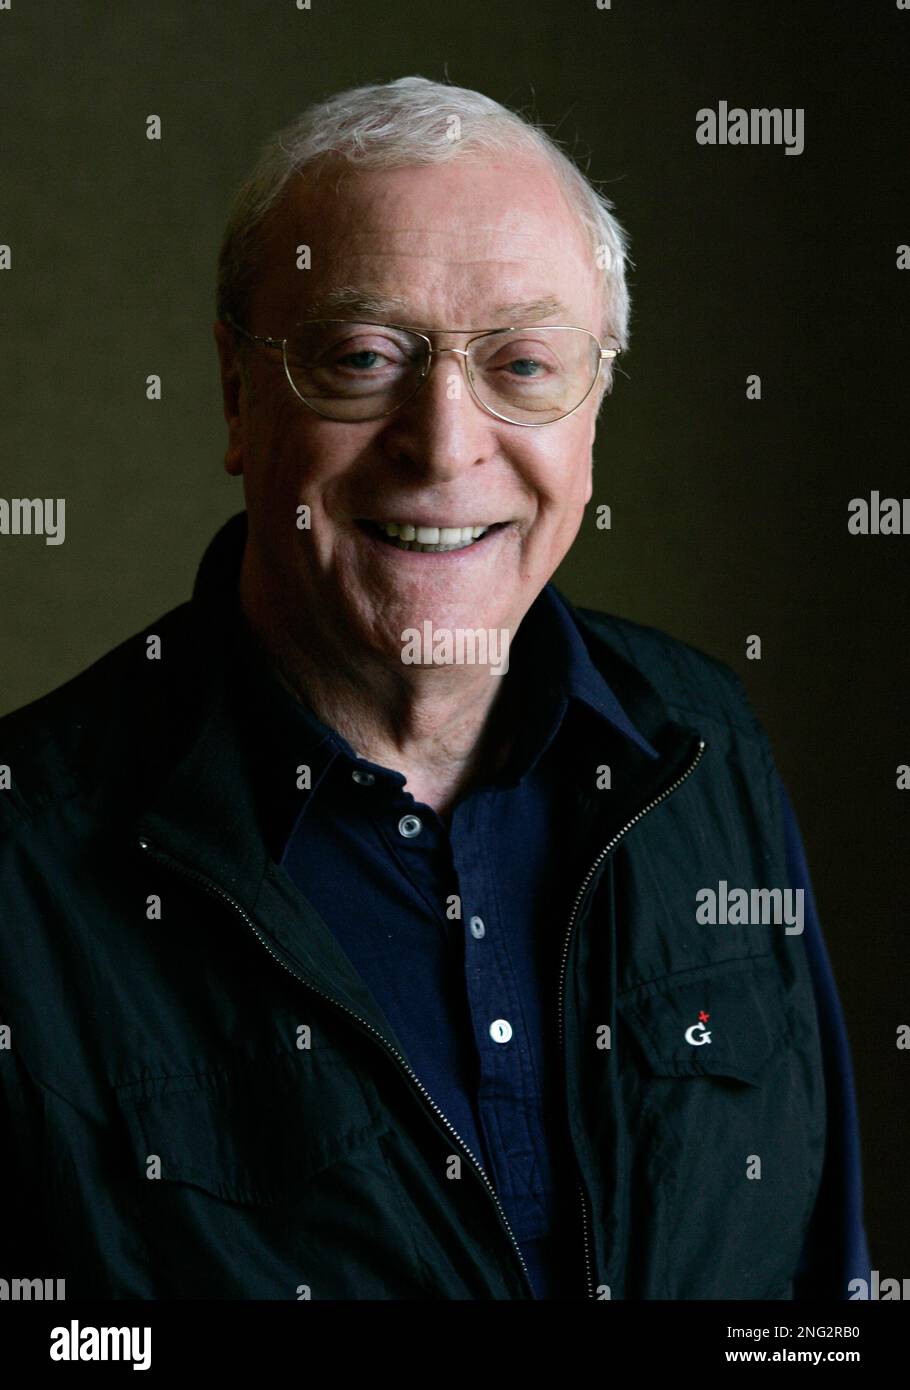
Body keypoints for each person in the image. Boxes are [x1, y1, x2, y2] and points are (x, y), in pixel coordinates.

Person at [0, 76, 869, 1299]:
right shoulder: (24, 865)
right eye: (363, 357)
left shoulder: (703, 745)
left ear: (594, 402)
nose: (446, 442)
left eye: (522, 363)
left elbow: (821, 1280)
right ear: (238, 392)